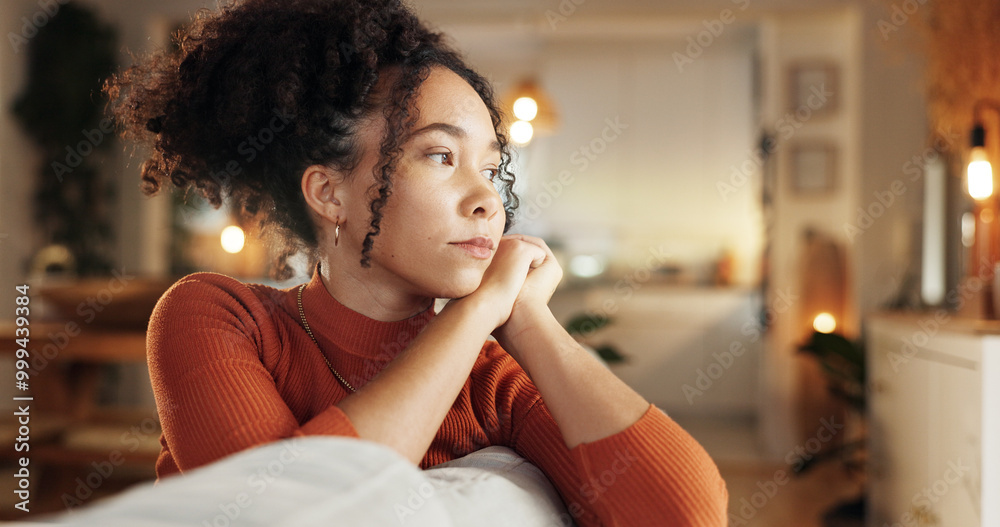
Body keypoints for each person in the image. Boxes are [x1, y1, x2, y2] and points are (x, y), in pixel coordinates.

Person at [105, 0, 728, 524]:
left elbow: (686, 515)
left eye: (491, 169)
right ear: (329, 193)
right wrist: (482, 306)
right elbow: (285, 515)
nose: (488, 198)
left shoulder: (491, 377)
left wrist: (528, 320)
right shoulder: (217, 316)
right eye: (439, 156)